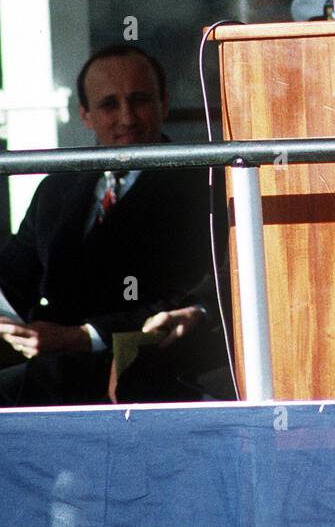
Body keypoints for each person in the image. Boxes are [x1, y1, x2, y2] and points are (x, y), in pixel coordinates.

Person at [0, 43, 226, 405]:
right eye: (109, 105)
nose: (127, 118)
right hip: (53, 374)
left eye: (139, 100)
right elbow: (13, 274)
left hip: (145, 373)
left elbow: (197, 294)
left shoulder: (205, 184)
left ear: (163, 104)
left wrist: (82, 336)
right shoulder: (58, 187)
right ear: (85, 115)